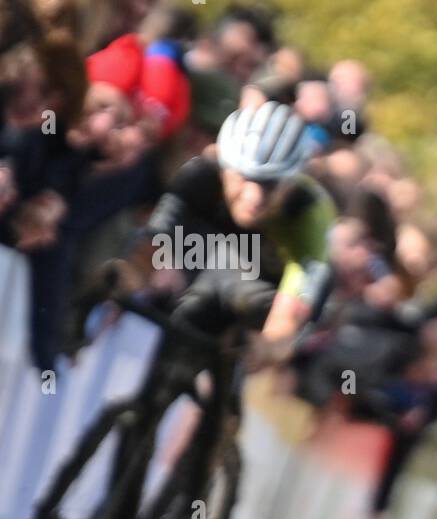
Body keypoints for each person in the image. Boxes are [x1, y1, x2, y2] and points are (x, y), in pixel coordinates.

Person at [131, 99, 335, 349]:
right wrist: (134, 274)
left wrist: (272, 345)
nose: (254, 197)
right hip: (200, 266)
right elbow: (153, 239)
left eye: (270, 185)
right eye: (243, 179)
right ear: (224, 168)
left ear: (292, 183)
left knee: (258, 318)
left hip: (264, 293)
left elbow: (292, 308)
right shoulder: (200, 172)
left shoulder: (310, 209)